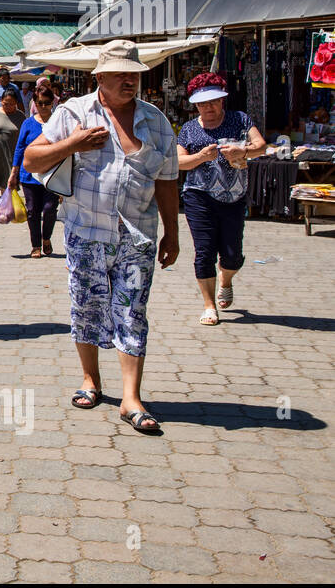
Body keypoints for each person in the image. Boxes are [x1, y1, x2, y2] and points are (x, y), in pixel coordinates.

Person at [23, 39, 179, 435]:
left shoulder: (155, 120)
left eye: (135, 75)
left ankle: (131, 398)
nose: (130, 81)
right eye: (121, 74)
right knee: (87, 307)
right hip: (86, 231)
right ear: (100, 77)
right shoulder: (74, 112)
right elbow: (31, 159)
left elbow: (167, 180)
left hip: (137, 235)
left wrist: (172, 234)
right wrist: (73, 143)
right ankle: (90, 379)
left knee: (132, 310)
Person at [175, 71, 266, 326]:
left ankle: (225, 280)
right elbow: (179, 162)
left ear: (222, 100)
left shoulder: (240, 120)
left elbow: (262, 146)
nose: (209, 107)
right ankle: (208, 305)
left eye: (213, 101)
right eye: (203, 103)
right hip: (199, 196)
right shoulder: (189, 130)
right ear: (196, 104)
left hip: (233, 196)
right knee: (204, 252)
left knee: (232, 254)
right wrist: (200, 158)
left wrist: (243, 150)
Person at [9, 84, 60, 259]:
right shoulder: (28, 123)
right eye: (40, 103)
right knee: (32, 210)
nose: (43, 106)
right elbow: (19, 148)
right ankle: (35, 245)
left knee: (50, 208)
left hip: (52, 174)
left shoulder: (58, 122)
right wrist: (13, 173)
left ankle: (46, 238)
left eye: (47, 103)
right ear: (35, 103)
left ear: (52, 103)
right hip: (29, 175)